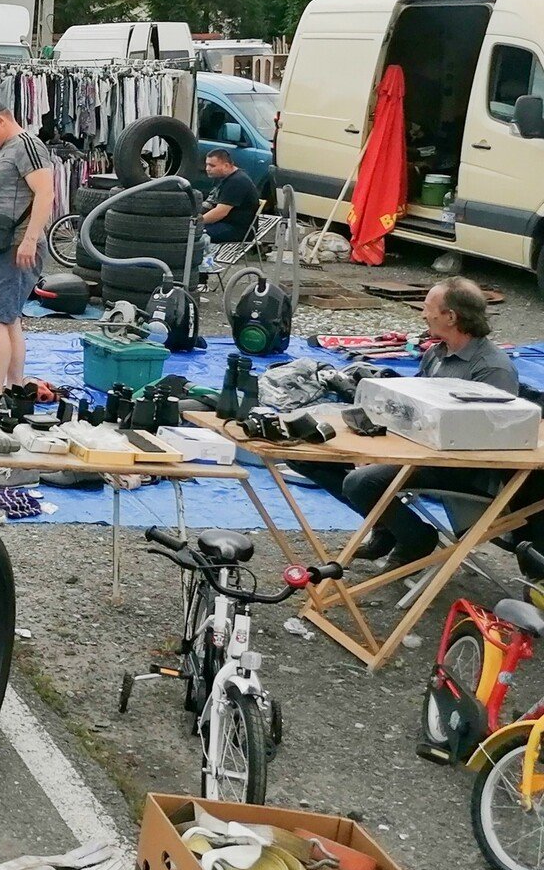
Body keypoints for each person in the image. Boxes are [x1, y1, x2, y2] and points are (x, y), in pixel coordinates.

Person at [287, 279, 524, 572]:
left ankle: (415, 537)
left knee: (361, 481)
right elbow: (413, 411)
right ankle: (388, 526)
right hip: (419, 450)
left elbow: (496, 439)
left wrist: (390, 455)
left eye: (428, 308)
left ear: (451, 317)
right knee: (304, 452)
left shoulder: (492, 368)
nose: (423, 315)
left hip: (460, 466)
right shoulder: (436, 354)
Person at [0, 98, 55, 401]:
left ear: (1, 120)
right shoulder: (8, 149)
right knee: (8, 318)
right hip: (6, 244)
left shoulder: (26, 144)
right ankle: (13, 387)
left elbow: (46, 192)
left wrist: (29, 239)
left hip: (16, 245)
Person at [200, 149, 260, 252]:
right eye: (207, 165)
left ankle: (192, 264)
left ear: (226, 166)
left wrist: (196, 222)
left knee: (192, 234)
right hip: (224, 224)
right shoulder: (222, 177)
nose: (207, 169)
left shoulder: (237, 181)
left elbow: (220, 212)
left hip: (237, 229)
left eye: (212, 166)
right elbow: (210, 203)